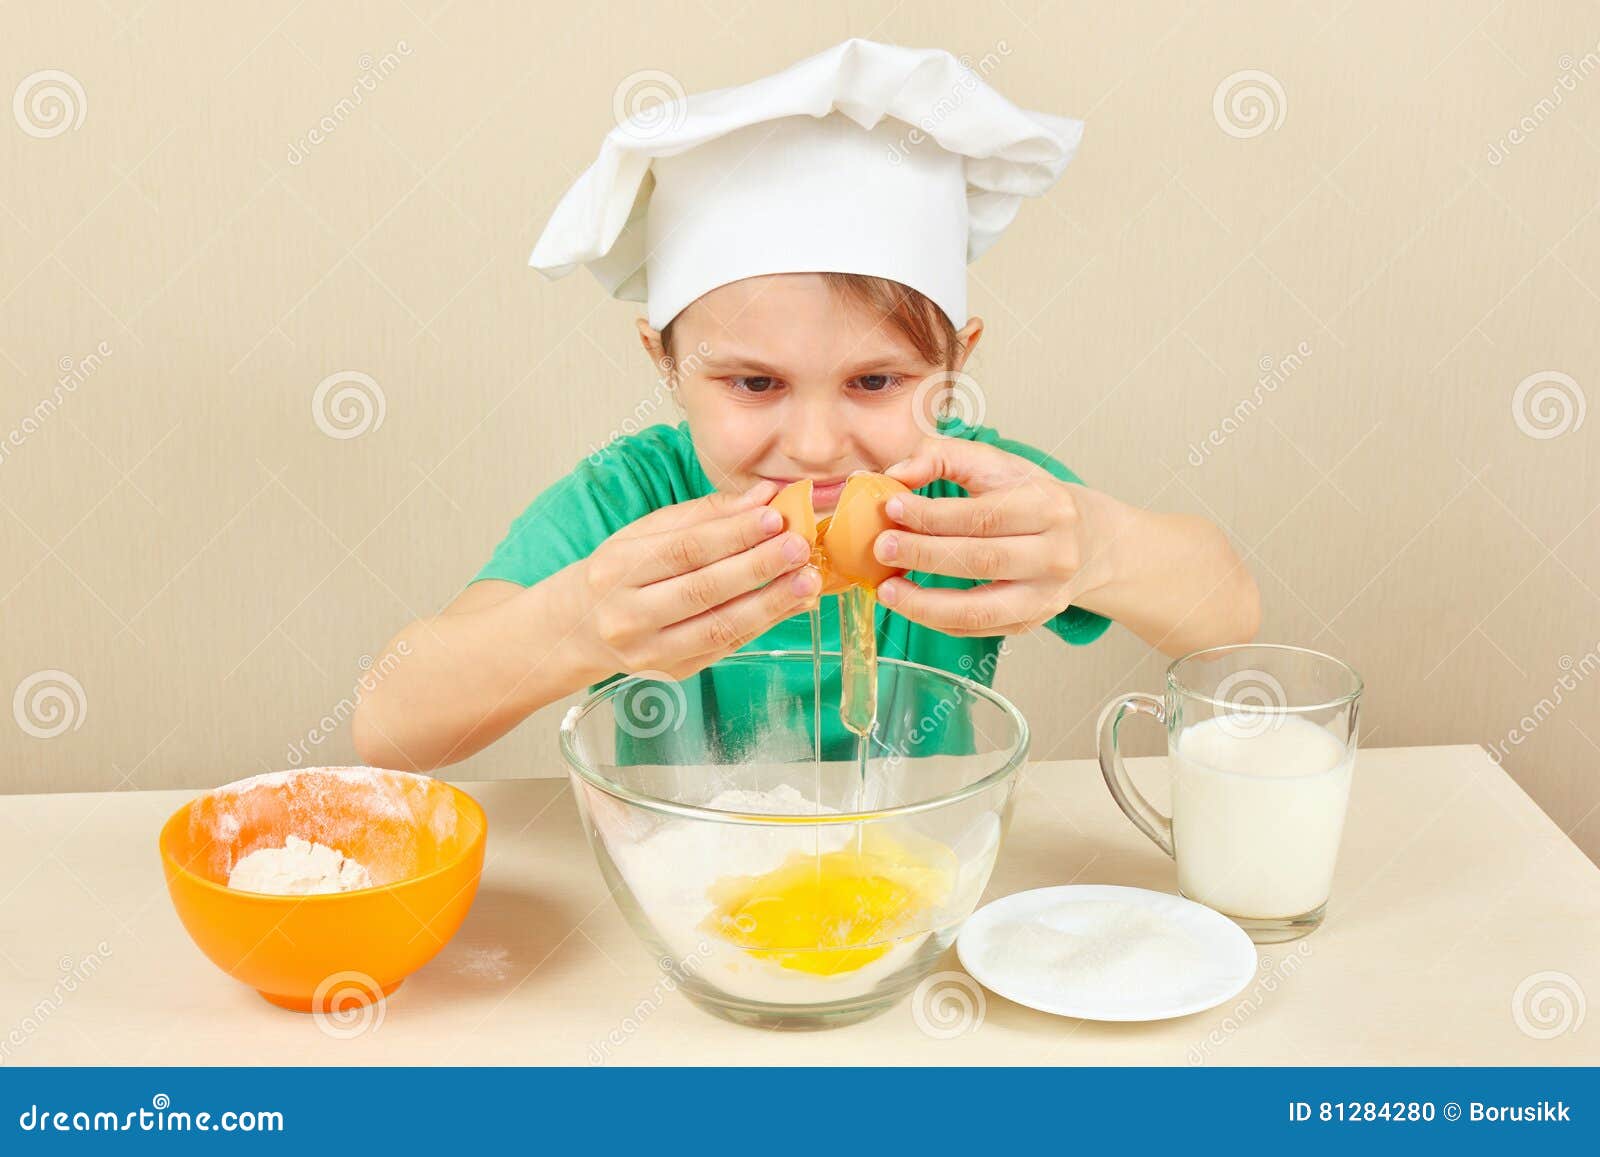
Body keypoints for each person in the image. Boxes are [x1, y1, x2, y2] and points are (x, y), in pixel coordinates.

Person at [353, 39, 1259, 771]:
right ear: (666, 366)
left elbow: (1228, 612)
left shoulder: (969, 498)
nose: (820, 445)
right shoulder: (630, 500)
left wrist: (1100, 548)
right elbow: (391, 725)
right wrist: (575, 626)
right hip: (688, 893)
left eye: (876, 382)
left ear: (954, 365)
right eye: (754, 383)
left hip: (911, 882)